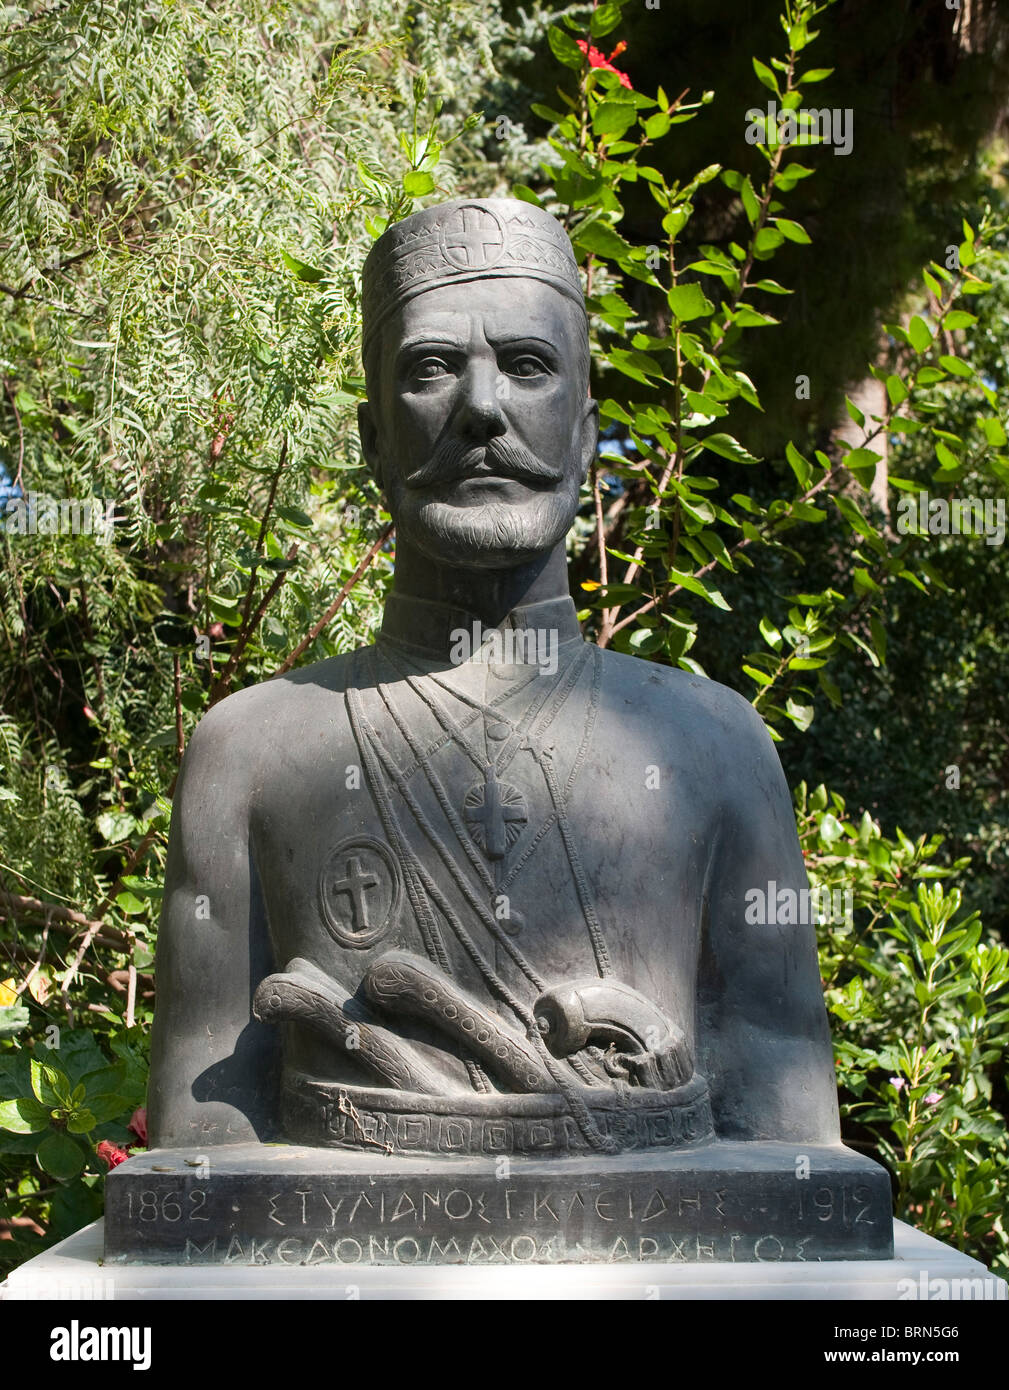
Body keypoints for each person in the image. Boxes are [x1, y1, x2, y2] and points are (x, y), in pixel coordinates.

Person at [148, 198, 840, 1157]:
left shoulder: (717, 746)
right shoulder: (248, 752)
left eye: (527, 365)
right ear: (371, 439)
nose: (481, 407)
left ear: (587, 430)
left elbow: (788, 1137)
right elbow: (201, 1145)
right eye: (430, 368)